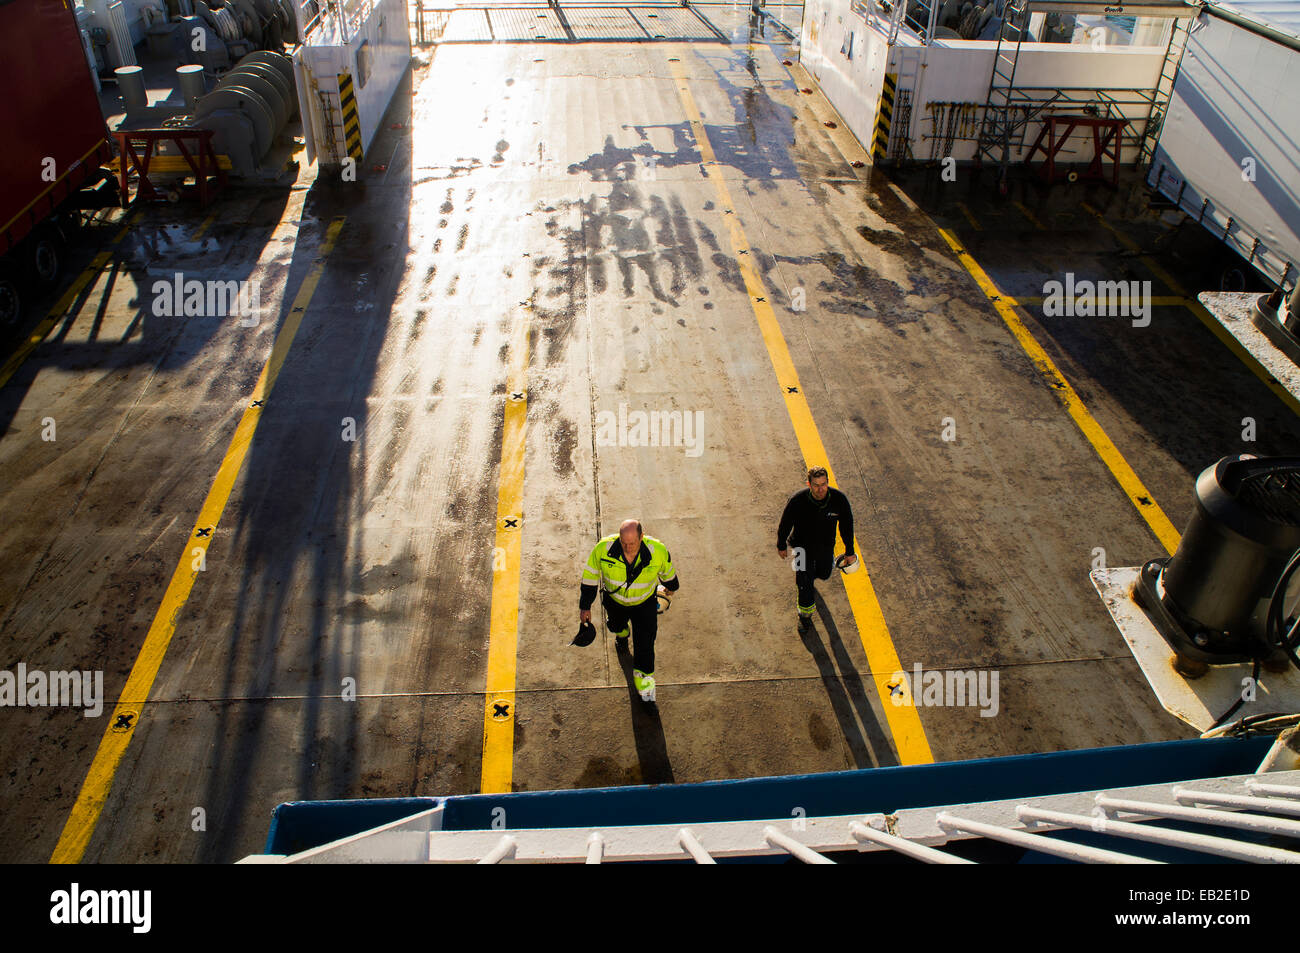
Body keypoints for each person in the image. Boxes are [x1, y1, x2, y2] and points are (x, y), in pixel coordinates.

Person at [580, 519, 679, 702]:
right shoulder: (603, 549)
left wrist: (671, 587)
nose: (628, 548)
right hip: (615, 602)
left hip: (644, 605)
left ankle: (646, 692)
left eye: (632, 543)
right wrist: (585, 606)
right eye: (623, 543)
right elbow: (590, 576)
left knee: (645, 646)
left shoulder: (657, 551)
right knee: (615, 625)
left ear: (642, 537)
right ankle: (622, 634)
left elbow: (668, 573)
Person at [777, 467, 858, 631]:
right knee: (804, 583)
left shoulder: (839, 500)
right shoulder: (797, 501)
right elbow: (785, 523)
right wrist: (781, 545)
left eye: (823, 484)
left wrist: (850, 551)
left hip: (825, 547)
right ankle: (805, 617)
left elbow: (847, 527)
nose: (820, 489)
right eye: (816, 485)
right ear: (809, 484)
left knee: (825, 573)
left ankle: (811, 577)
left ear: (828, 482)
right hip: (801, 549)